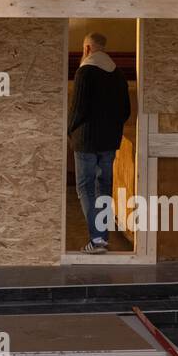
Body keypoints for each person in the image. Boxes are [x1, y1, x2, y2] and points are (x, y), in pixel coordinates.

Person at [68, 32, 132, 254]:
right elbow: (126, 111)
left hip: (85, 140)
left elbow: (78, 109)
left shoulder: (84, 72)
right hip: (110, 141)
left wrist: (69, 130)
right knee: (103, 187)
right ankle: (102, 238)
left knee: (85, 188)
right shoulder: (118, 75)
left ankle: (96, 240)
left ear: (86, 49)